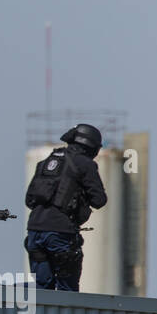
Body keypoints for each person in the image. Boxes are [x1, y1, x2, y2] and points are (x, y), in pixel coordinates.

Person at [24, 123, 107, 290]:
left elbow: (29, 200)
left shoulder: (46, 162)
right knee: (67, 290)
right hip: (60, 233)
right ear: (91, 146)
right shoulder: (84, 164)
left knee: (42, 287)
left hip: (34, 231)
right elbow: (99, 200)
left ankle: (11, 294)